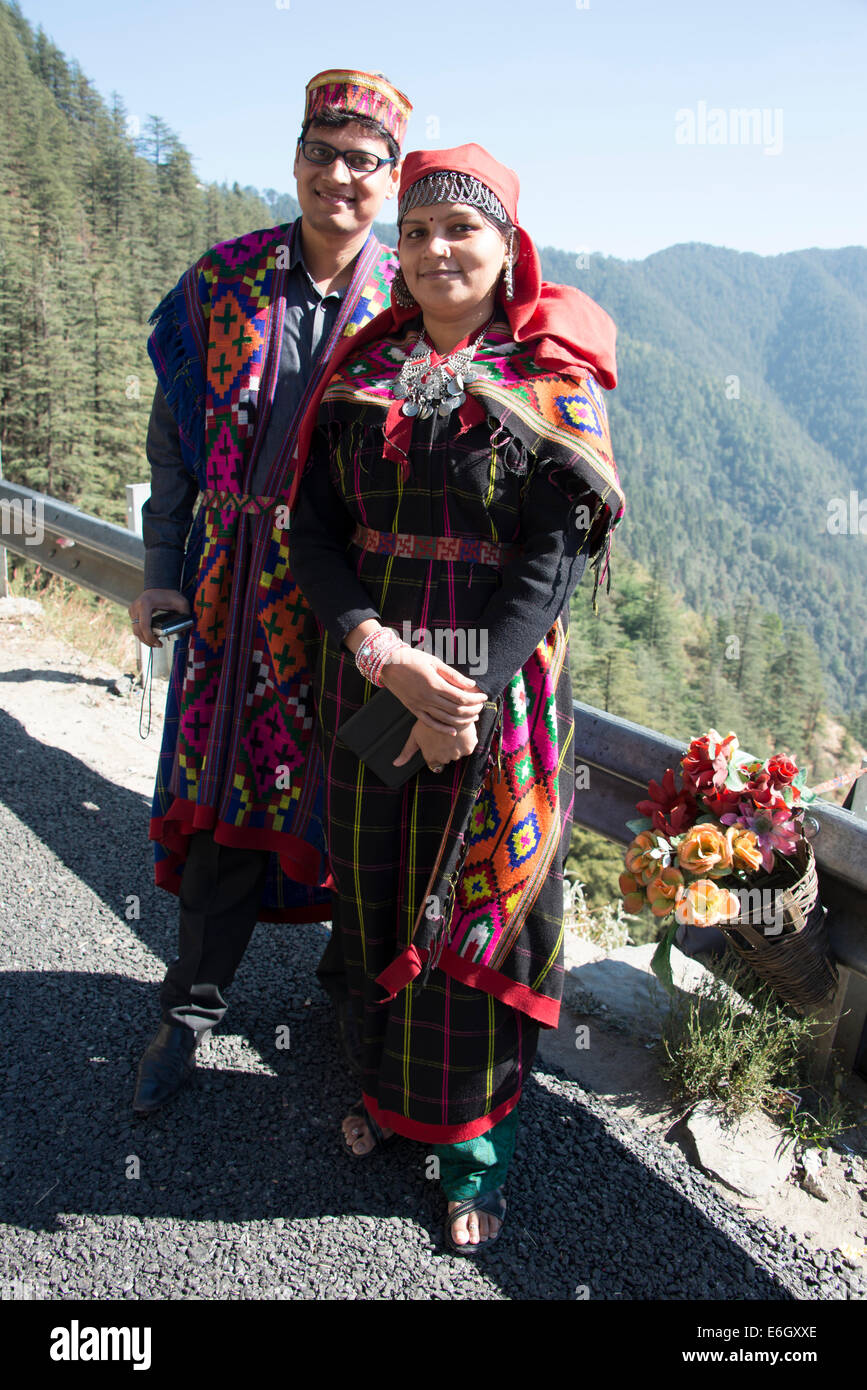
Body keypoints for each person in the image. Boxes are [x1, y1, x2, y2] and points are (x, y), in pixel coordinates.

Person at [289, 144, 625, 1251]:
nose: (437, 249)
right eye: (421, 229)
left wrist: (461, 693)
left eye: (462, 231)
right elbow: (319, 531)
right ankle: (388, 1098)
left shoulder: (548, 384)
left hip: (498, 703)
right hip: (379, 680)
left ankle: (473, 1149)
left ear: (507, 249)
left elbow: (550, 560)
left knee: (478, 909)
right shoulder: (360, 378)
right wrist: (379, 650)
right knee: (379, 889)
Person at [129, 69, 412, 1116]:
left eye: (363, 161)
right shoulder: (223, 282)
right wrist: (161, 572)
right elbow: (173, 448)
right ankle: (189, 1010)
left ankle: (352, 1011)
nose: (340, 176)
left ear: (388, 180)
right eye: (322, 152)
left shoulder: (410, 301)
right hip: (229, 596)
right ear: (296, 158)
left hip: (361, 613)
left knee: (363, 808)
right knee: (222, 814)